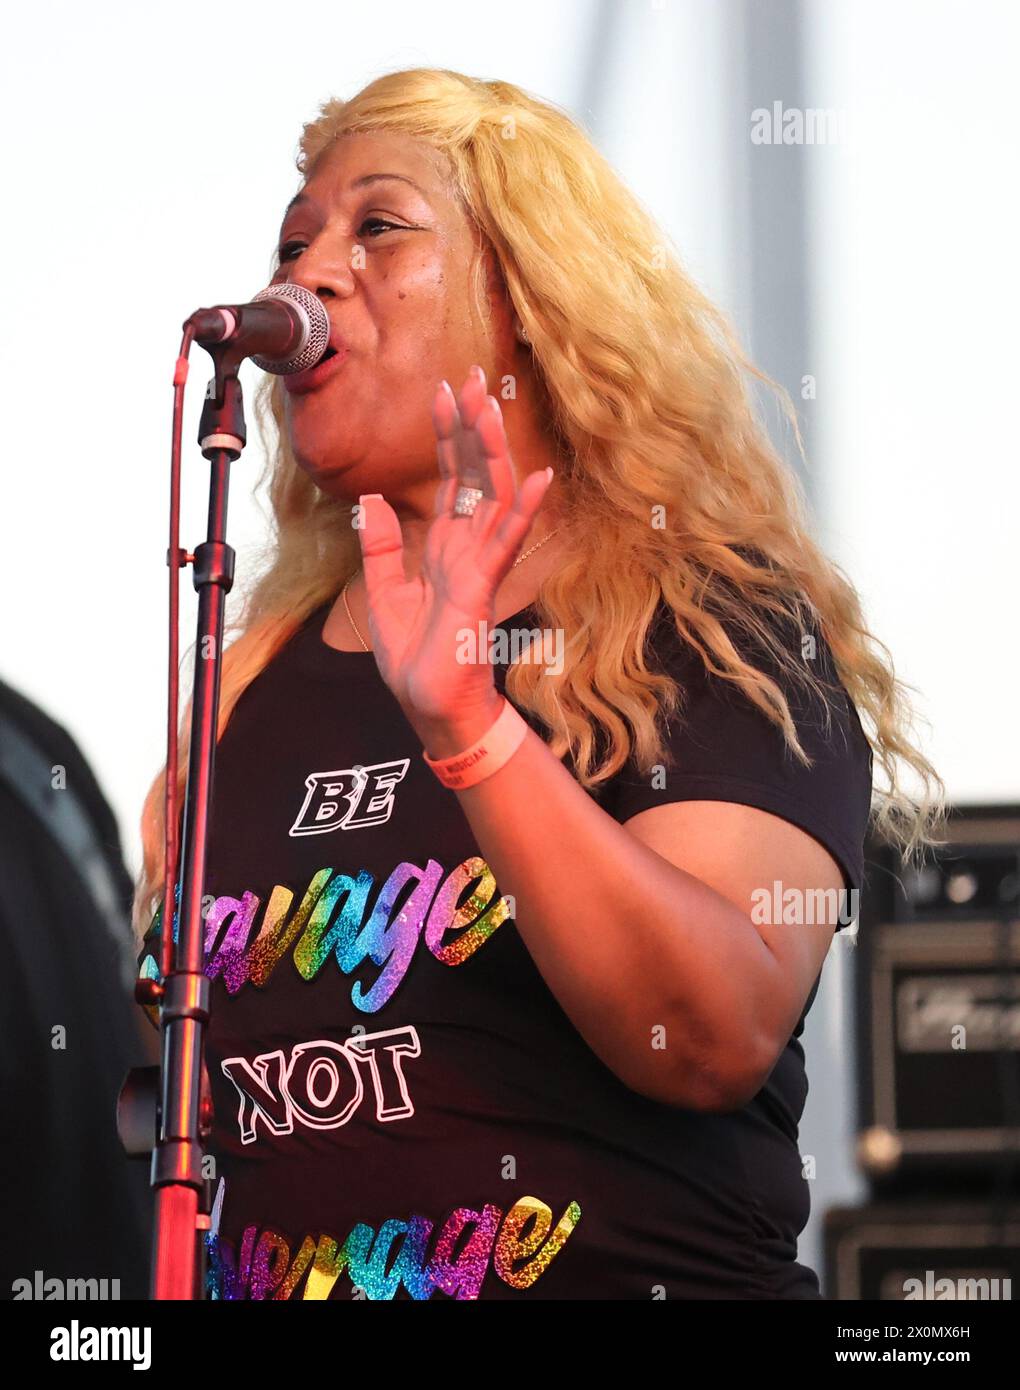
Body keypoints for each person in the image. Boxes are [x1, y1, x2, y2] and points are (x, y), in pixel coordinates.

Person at [134, 67, 942, 1300]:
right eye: (294, 242)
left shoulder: (708, 627)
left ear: (530, 295)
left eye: (380, 227)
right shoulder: (246, 685)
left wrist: (469, 727)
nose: (311, 272)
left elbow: (709, 1031)